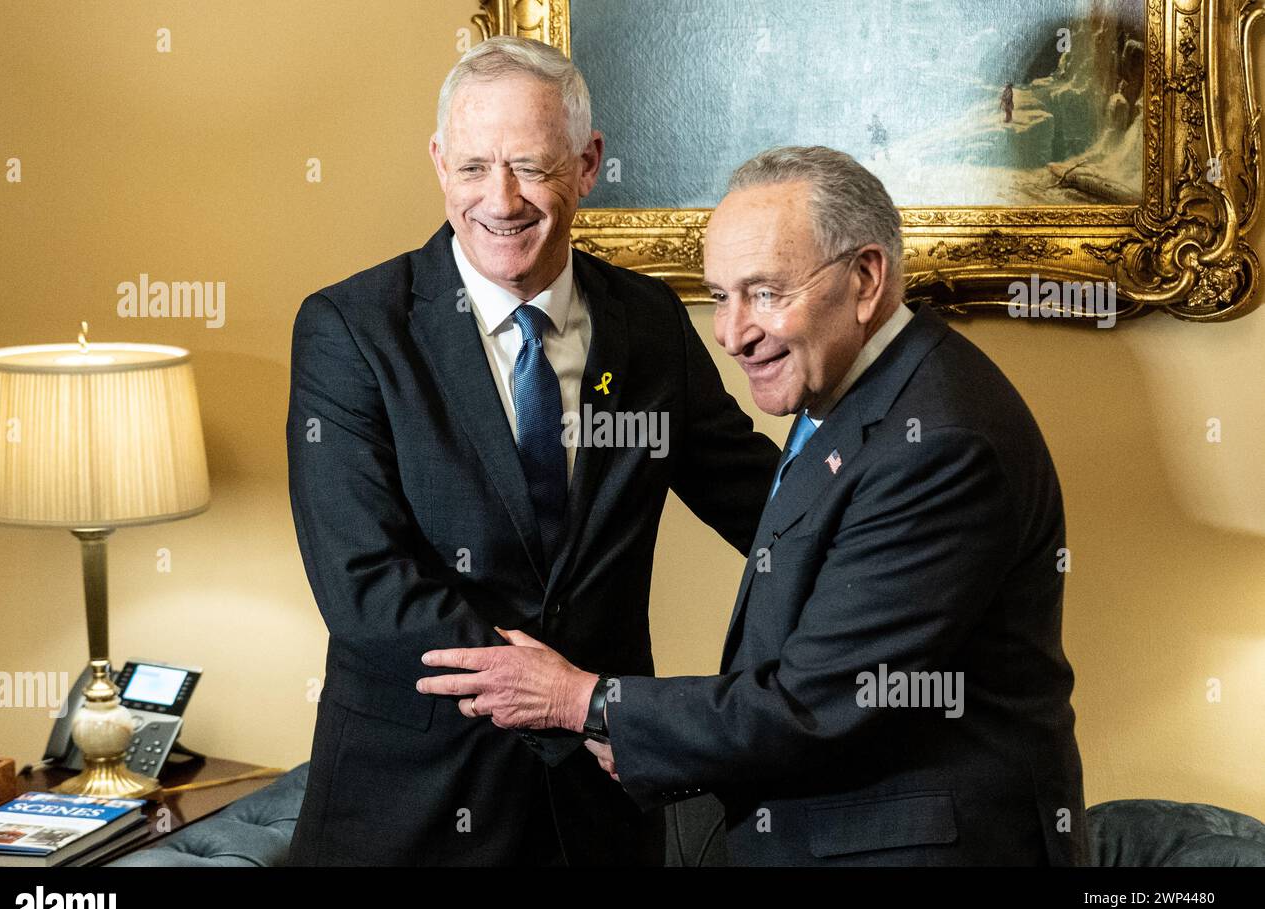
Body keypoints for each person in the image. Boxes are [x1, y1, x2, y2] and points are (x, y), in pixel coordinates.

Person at [419, 146, 1090, 866]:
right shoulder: (851, 391)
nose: (732, 333)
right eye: (721, 295)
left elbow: (814, 706)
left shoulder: (939, 443)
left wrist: (588, 702)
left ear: (866, 278)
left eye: (766, 293)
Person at [283, 36, 778, 866]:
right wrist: (555, 704)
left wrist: (892, 537)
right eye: (473, 166)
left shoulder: (650, 323)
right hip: (410, 801)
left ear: (587, 164)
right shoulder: (352, 329)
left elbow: (765, 506)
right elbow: (364, 584)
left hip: (600, 809)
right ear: (439, 164)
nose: (500, 198)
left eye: (530, 167)